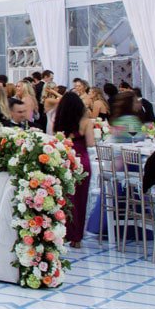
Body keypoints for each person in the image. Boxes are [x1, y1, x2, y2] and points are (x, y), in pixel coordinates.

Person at [53, 91, 93, 249]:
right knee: (81, 199)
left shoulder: (59, 120)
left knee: (65, 198)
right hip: (81, 160)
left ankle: (63, 233)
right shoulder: (85, 121)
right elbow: (90, 143)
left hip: (64, 159)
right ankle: (77, 238)